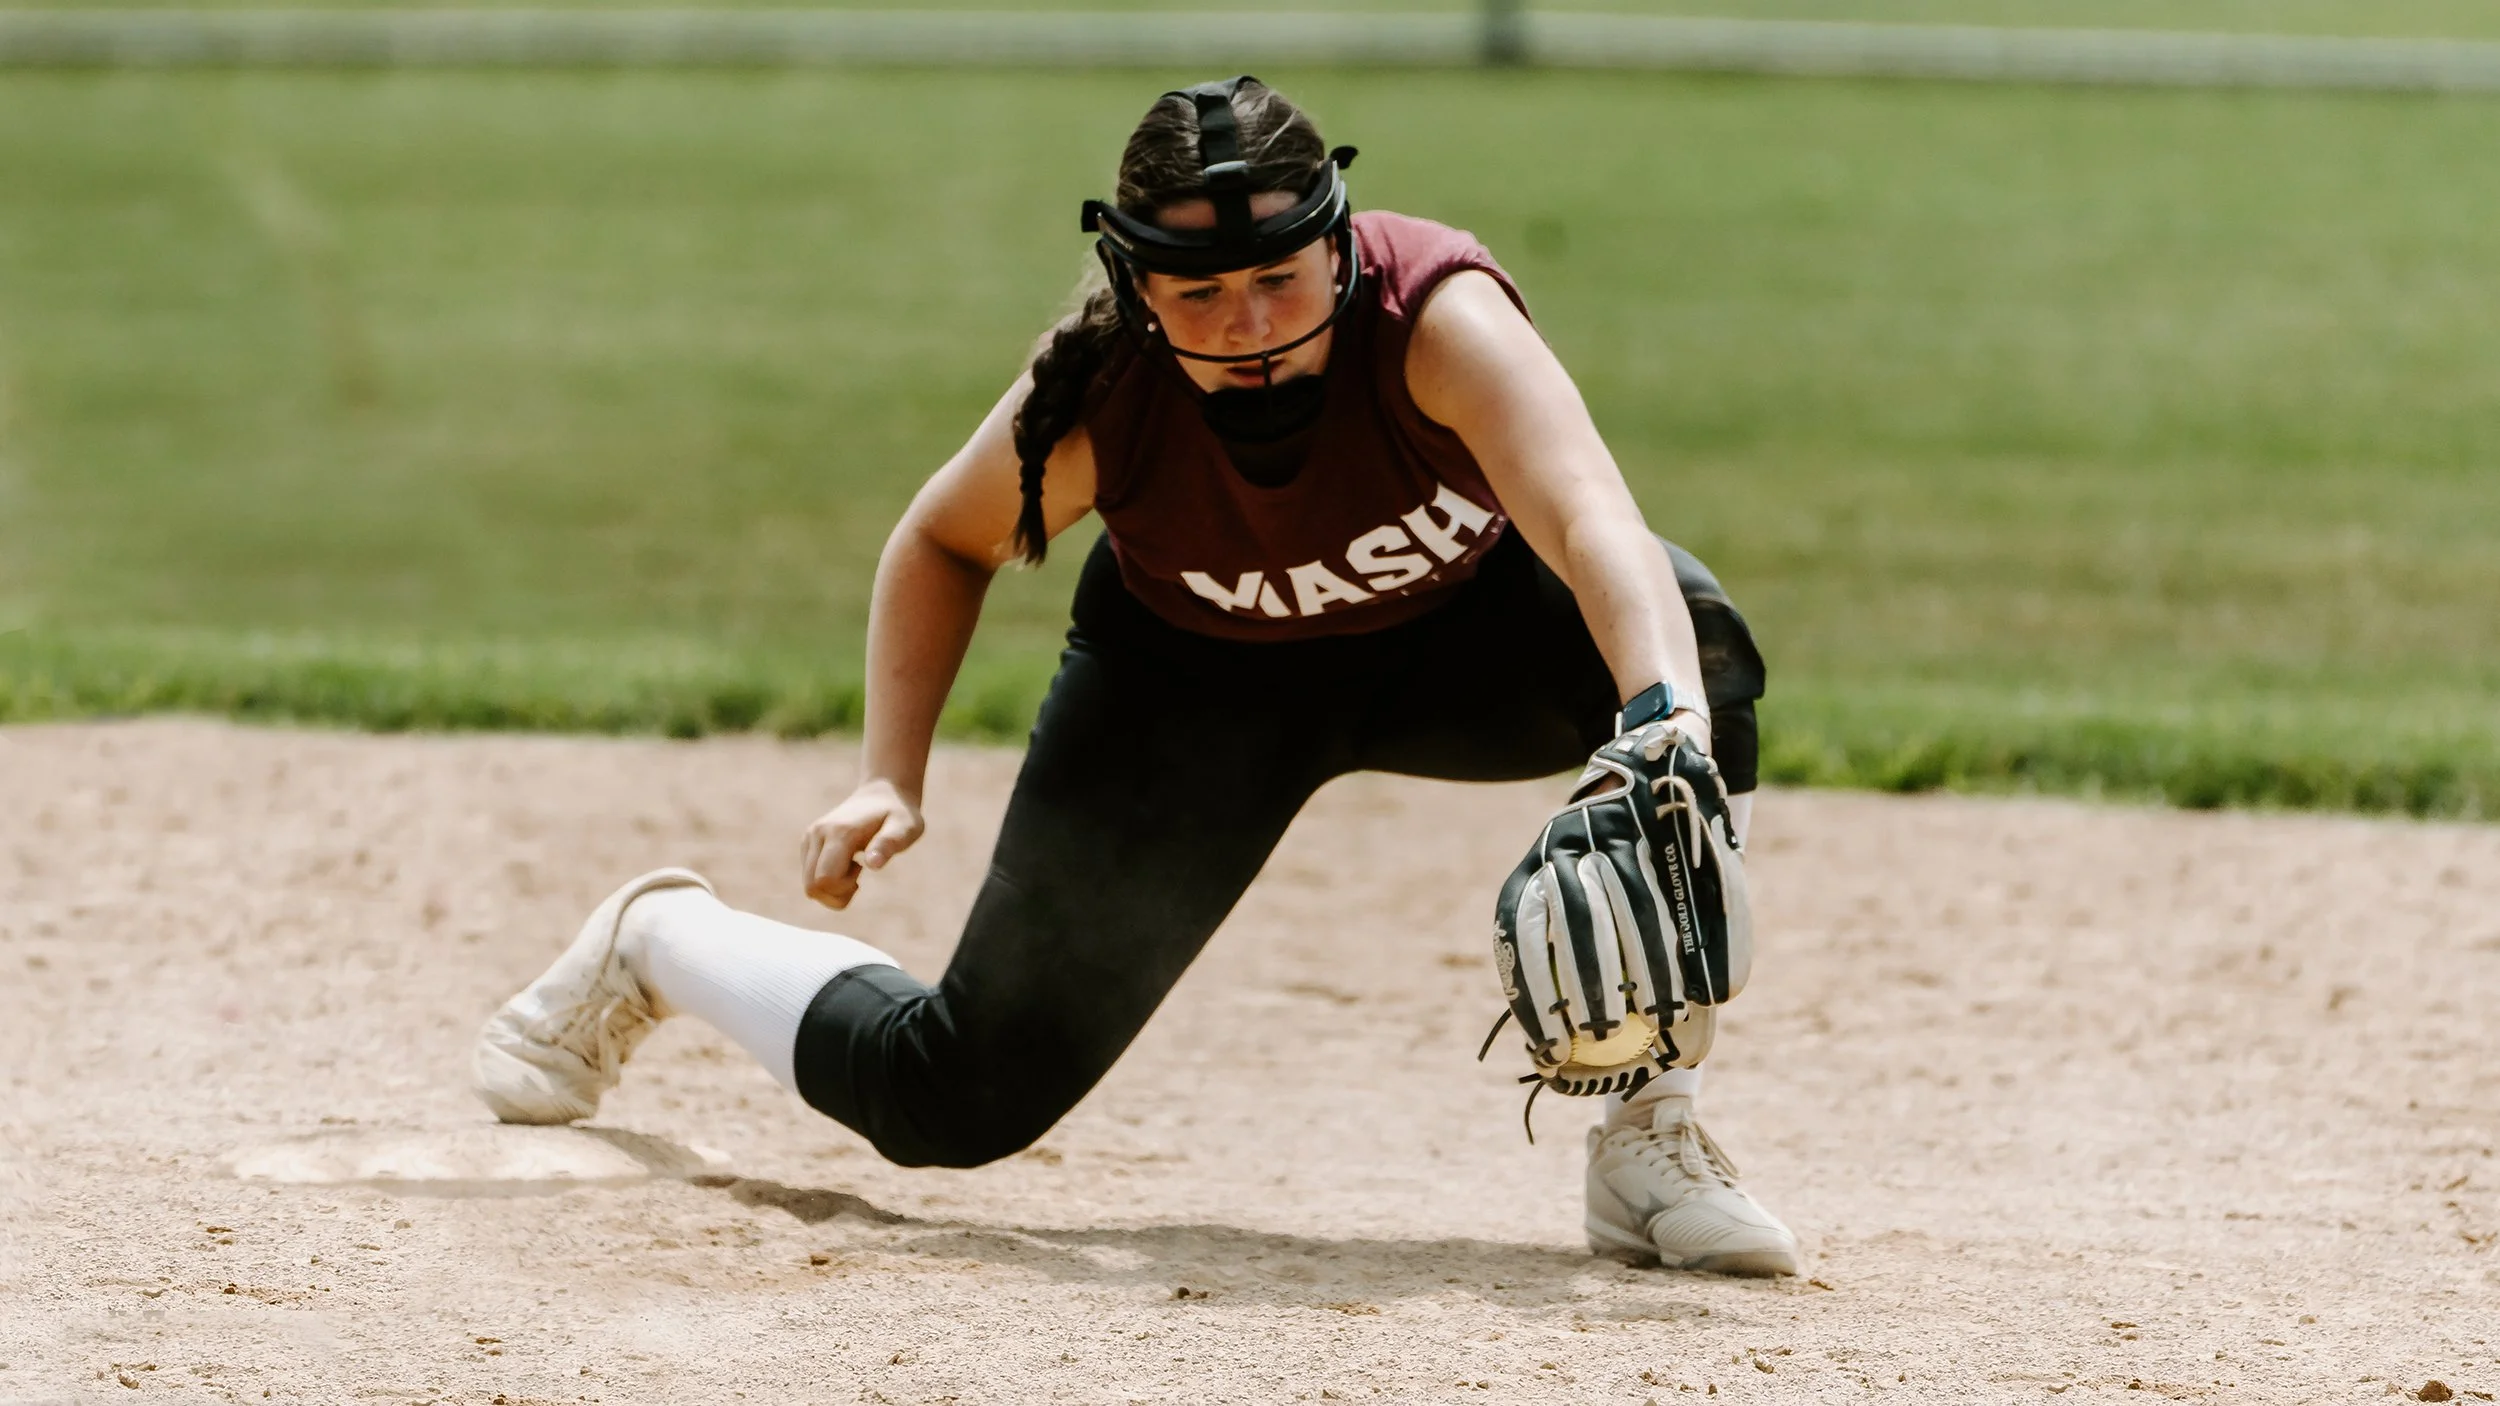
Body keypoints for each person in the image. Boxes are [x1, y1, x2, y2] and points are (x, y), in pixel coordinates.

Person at [472, 76, 1797, 1277]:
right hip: (1195, 686)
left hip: (1458, 646)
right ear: (1139, 289)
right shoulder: (1112, 389)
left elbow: (1589, 521)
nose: (1251, 325)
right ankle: (658, 937)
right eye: (1201, 294)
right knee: (955, 1099)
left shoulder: (1433, 316)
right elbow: (945, 536)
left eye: (1280, 277)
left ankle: (1649, 1139)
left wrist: (1662, 714)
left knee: (1697, 650)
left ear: (1337, 243)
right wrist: (891, 767)